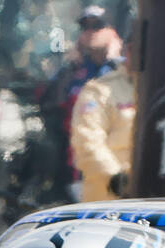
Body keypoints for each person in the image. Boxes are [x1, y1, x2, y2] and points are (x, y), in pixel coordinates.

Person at [41, 6, 123, 200]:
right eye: (85, 27)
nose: (90, 32)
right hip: (75, 166)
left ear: (112, 32)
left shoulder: (123, 69)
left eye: (98, 26)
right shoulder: (72, 71)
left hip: (115, 165)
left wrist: (116, 61)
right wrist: (70, 63)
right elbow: (50, 102)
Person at [70, 36, 133, 202]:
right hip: (108, 200)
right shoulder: (99, 91)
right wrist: (116, 179)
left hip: (157, 199)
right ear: (126, 51)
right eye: (132, 49)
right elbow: (87, 141)